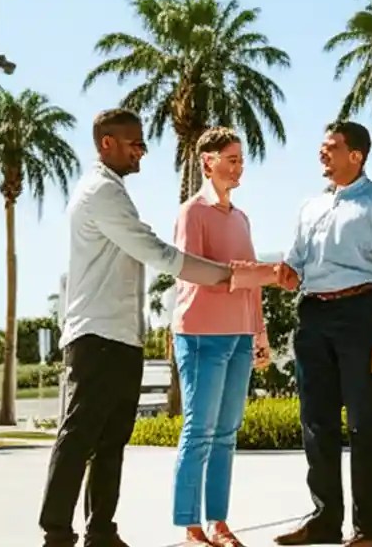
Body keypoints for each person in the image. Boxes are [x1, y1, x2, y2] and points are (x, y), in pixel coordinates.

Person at [39, 108, 245, 547]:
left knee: (112, 439)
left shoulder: (115, 191)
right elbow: (158, 253)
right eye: (134, 143)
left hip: (122, 336)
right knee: (79, 436)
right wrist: (228, 275)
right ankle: (56, 533)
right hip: (96, 335)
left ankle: (101, 531)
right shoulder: (101, 192)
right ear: (105, 143)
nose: (142, 151)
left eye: (143, 142)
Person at [272, 121, 372, 547]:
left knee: (363, 424)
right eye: (322, 146)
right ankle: (324, 520)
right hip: (312, 316)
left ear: (357, 155)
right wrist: (278, 273)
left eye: (331, 147)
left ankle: (368, 529)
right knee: (316, 422)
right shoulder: (309, 206)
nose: (322, 153)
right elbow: (294, 267)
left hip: (361, 314)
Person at [169, 127, 277, 546]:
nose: (238, 166)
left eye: (241, 158)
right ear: (206, 162)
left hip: (238, 336)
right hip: (200, 335)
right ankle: (190, 525)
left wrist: (259, 332)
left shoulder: (241, 218)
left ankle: (218, 522)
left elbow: (249, 283)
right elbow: (192, 274)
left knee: (227, 432)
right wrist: (255, 274)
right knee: (199, 431)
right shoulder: (192, 213)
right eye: (230, 158)